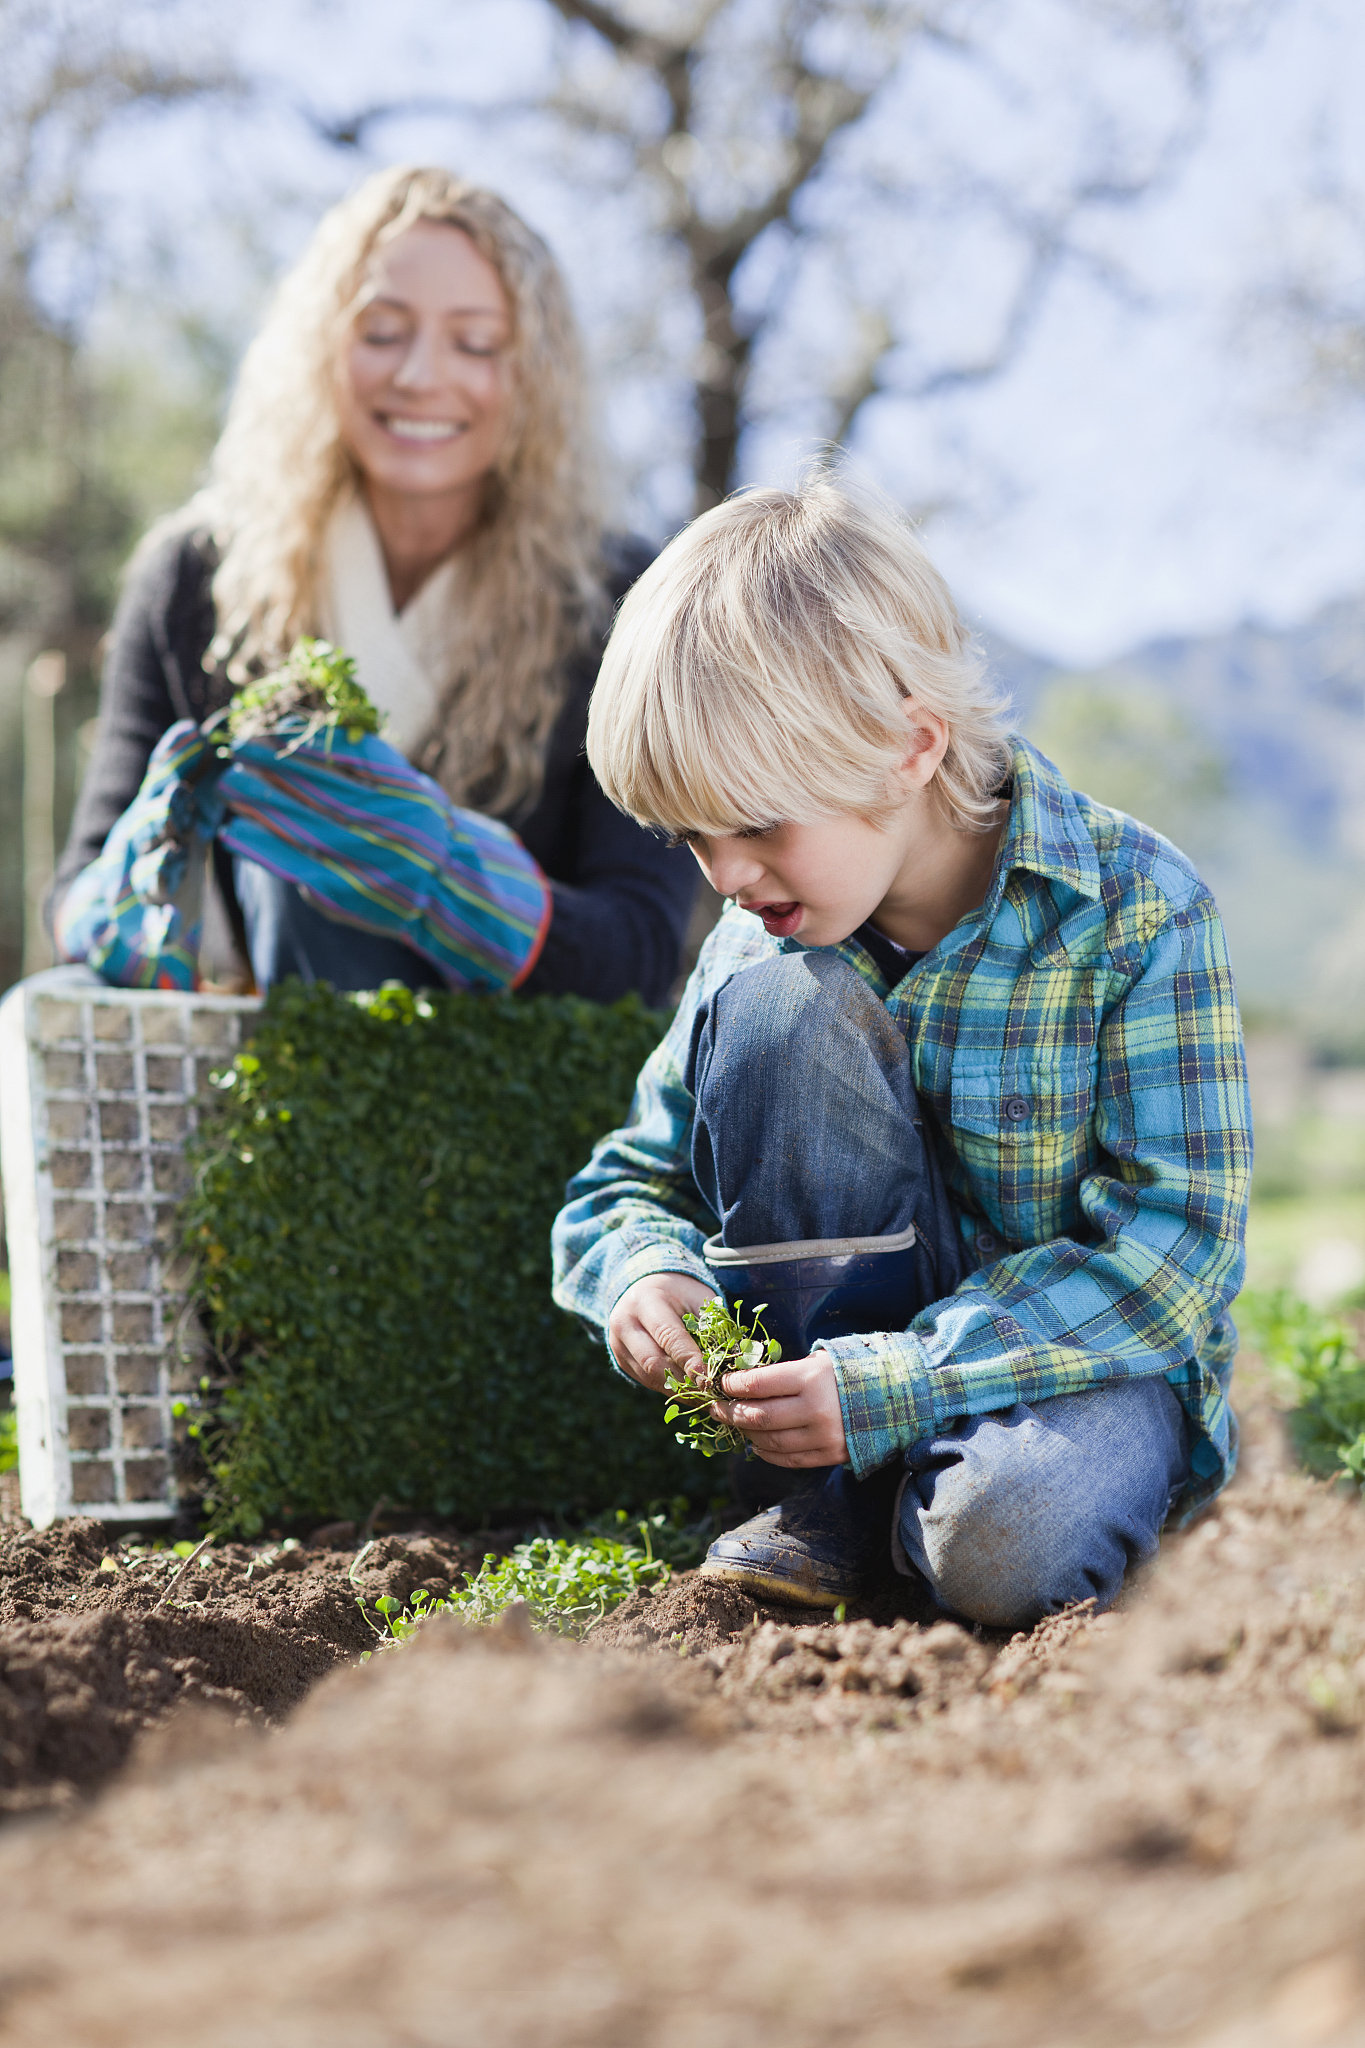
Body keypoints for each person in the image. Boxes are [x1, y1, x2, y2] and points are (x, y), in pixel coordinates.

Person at [551, 476, 1252, 1631]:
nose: (726, 875)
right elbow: (626, 1182)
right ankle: (827, 1504)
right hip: (824, 1412)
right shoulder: (755, 942)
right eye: (691, 836)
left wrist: (899, 1382)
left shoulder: (1137, 911)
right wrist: (642, 1271)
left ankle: (927, 1512)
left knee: (1006, 1539)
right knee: (776, 1002)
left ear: (909, 747)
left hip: (1074, 1368)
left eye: (757, 821)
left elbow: (1173, 1254)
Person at [53, 165, 696, 1005]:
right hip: (259, 1066)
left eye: (475, 343)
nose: (421, 375)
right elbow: (76, 896)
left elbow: (642, 947)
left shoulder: (622, 600)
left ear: (534, 376)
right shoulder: (193, 580)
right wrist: (133, 891)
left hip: (514, 1076)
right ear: (320, 350)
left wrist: (445, 878)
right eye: (383, 332)